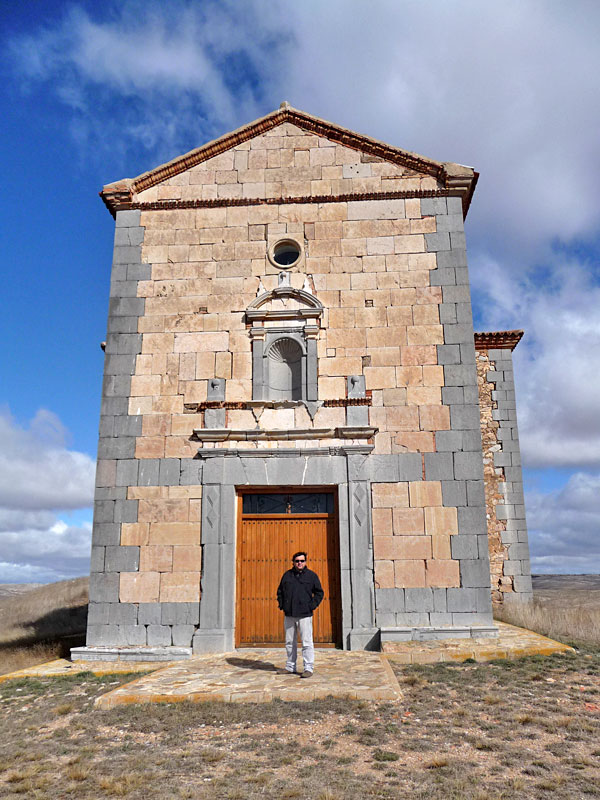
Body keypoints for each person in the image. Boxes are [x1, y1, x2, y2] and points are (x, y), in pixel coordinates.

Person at [276, 551, 324, 678]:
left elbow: (319, 593)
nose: (299, 563)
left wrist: (311, 606)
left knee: (307, 642)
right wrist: (282, 605)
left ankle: (308, 668)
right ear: (293, 562)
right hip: (290, 614)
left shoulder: (311, 576)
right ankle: (290, 666)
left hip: (304, 615)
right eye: (297, 561)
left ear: (305, 562)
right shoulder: (287, 576)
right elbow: (280, 591)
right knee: (289, 642)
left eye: (302, 561)